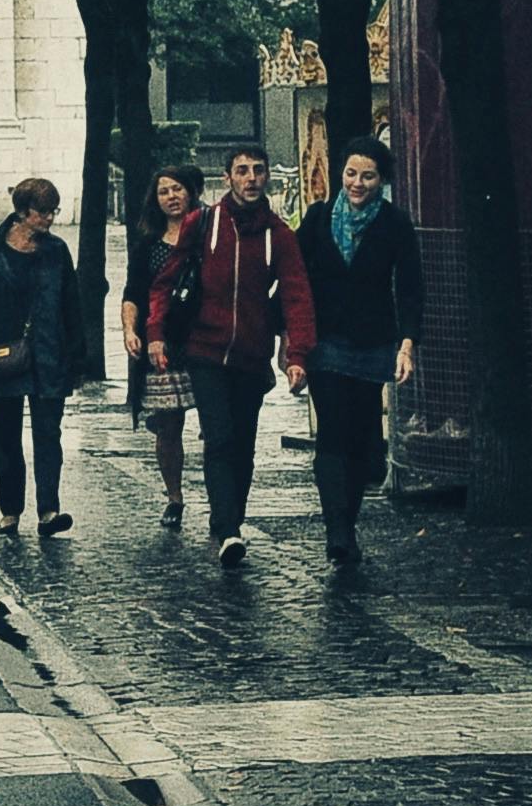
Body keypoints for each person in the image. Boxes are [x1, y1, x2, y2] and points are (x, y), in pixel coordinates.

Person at [150, 139, 314, 563]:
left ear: (268, 176)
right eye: (242, 170)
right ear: (228, 178)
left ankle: (230, 516)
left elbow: (297, 295)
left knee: (242, 444)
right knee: (219, 437)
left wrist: (297, 354)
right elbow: (166, 280)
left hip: (251, 355)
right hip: (205, 350)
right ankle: (228, 529)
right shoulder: (203, 223)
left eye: (258, 170)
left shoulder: (280, 235)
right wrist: (155, 332)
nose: (252, 178)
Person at [302, 139, 422, 570]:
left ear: (381, 180)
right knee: (333, 428)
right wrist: (289, 341)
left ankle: (347, 521)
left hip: (374, 343)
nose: (357, 183)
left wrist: (407, 344)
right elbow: (295, 281)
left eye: (367, 176)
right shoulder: (317, 220)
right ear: (341, 174)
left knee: (364, 440)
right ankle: (338, 530)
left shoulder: (394, 224)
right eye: (351, 174)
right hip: (326, 341)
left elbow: (410, 287)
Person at [0, 175, 81, 537]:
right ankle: (10, 510)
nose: (50, 219)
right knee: (6, 436)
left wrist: (77, 358)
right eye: (43, 212)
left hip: (50, 355)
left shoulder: (57, 251)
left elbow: (72, 305)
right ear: (23, 212)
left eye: (53, 211)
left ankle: (49, 511)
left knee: (48, 435)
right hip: (2, 359)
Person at [121, 165, 205, 523]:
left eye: (177, 189)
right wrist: (130, 330)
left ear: (190, 192)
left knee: (217, 424)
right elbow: (133, 292)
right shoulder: (148, 244)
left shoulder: (209, 234)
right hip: (162, 343)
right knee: (169, 426)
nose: (171, 197)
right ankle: (174, 496)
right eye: (163, 191)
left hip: (204, 338)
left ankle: (225, 503)